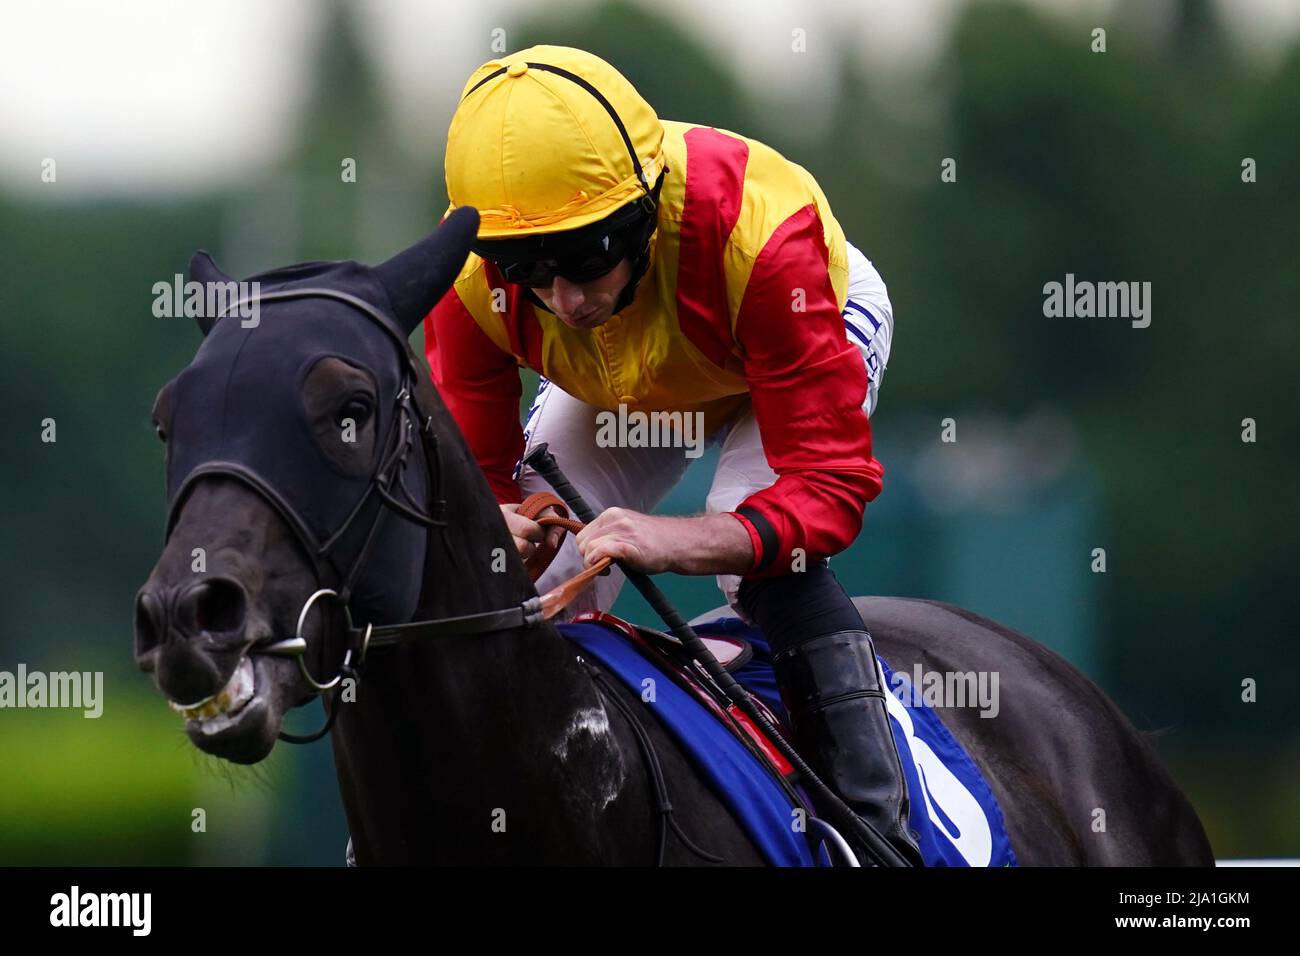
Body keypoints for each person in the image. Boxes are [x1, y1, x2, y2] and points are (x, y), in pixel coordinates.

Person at [426, 45, 919, 865]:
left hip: (776, 331)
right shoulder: (467, 282)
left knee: (749, 556)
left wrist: (677, 540)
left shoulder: (765, 237)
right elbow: (480, 481)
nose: (567, 300)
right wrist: (501, 520)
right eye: (529, 271)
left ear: (646, 208)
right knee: (513, 569)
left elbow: (827, 492)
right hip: (631, 371)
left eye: (589, 255)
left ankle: (876, 832)